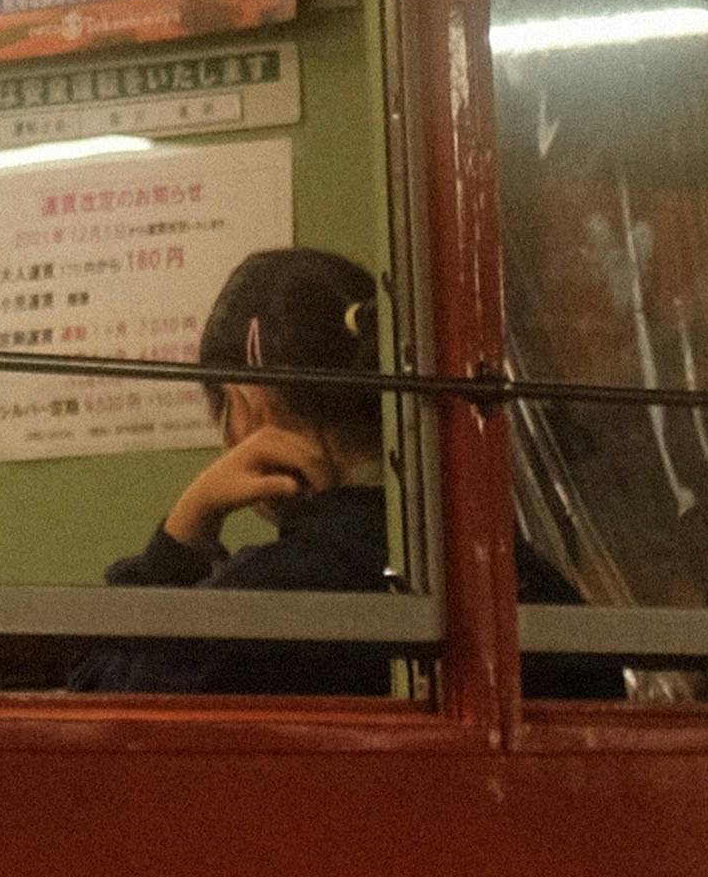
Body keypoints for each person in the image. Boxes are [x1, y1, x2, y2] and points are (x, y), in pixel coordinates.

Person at [65, 241, 621, 699]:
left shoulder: (258, 603)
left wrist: (184, 530)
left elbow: (97, 709)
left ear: (250, 404)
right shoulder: (513, 574)